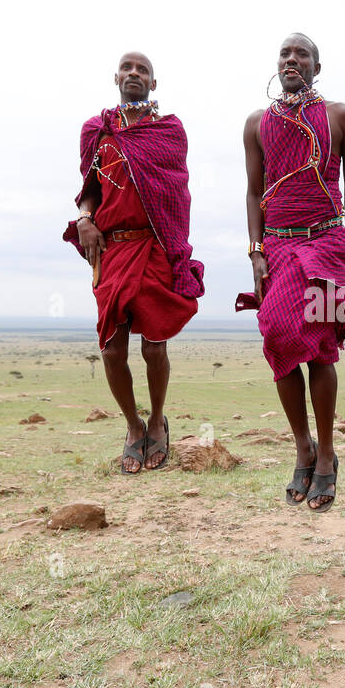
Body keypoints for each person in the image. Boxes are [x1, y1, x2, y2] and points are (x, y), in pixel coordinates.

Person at [238, 33, 345, 510]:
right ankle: (302, 447)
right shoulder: (257, 123)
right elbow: (254, 192)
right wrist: (255, 250)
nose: (292, 60)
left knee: (321, 346)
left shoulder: (341, 116)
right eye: (285, 55)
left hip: (328, 240)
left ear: (316, 66)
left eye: (302, 54)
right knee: (278, 339)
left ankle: (327, 454)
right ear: (277, 65)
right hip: (278, 246)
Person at [63, 51, 204, 473]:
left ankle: (158, 419)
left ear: (153, 83)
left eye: (142, 70)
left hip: (155, 246)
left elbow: (173, 190)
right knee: (111, 349)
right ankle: (132, 426)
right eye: (127, 68)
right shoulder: (98, 132)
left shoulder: (169, 131)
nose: (134, 74)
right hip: (112, 249)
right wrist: (85, 218)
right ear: (116, 78)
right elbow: (90, 189)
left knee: (154, 345)